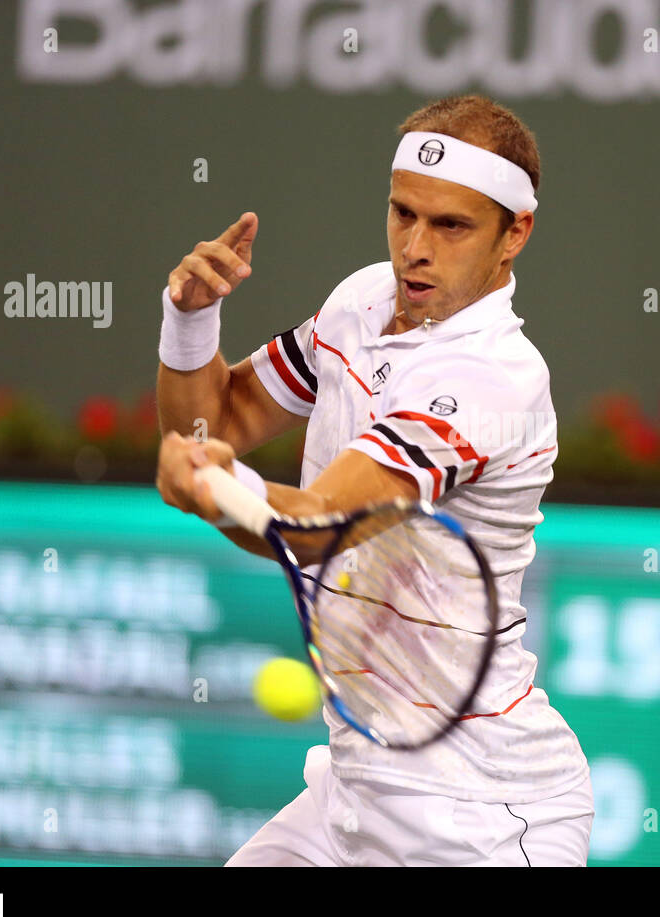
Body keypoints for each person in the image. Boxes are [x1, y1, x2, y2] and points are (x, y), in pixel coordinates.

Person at [154, 94, 591, 866]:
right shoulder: (359, 303)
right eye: (402, 214)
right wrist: (190, 323)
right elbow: (217, 424)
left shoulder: (494, 378)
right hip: (352, 789)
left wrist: (210, 489)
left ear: (513, 234)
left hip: (481, 814)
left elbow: (319, 528)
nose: (415, 248)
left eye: (451, 226)